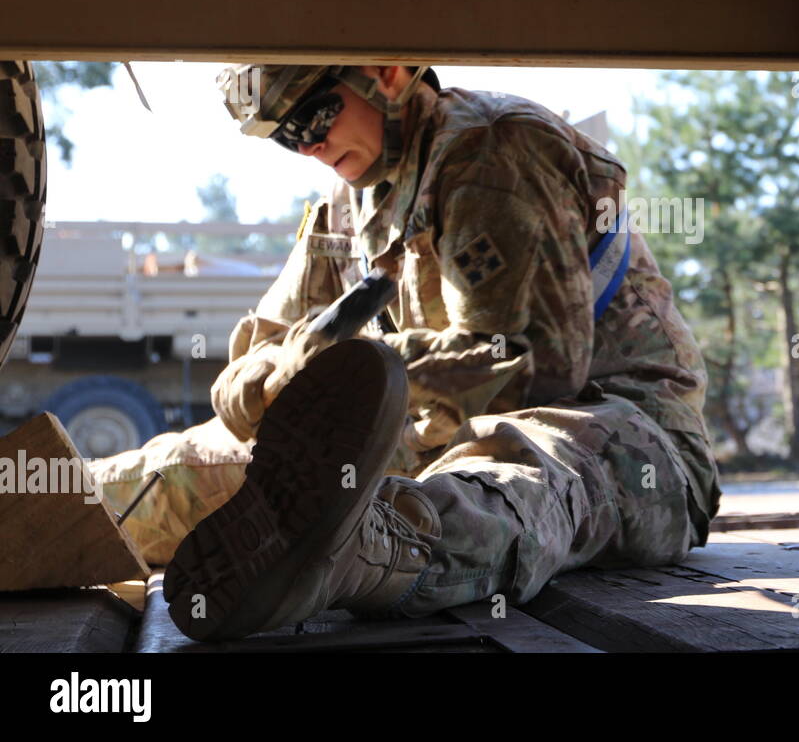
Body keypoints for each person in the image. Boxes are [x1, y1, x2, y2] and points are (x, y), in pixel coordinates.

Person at [89, 63, 721, 641]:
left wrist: (339, 370)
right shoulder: (349, 201)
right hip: (412, 439)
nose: (305, 147)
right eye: (284, 136)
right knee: (172, 473)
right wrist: (275, 380)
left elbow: (532, 370)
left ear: (385, 74)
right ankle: (45, 514)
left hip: (620, 432)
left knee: (523, 468)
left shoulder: (495, 148)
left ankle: (353, 553)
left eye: (311, 117)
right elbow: (260, 353)